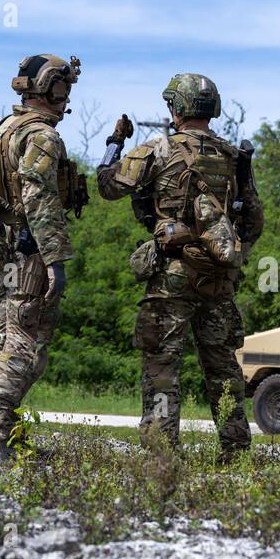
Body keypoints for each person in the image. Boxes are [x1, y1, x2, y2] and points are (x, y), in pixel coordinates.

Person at [97, 73, 263, 461]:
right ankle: (235, 452)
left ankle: (162, 453)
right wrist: (229, 256)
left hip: (171, 275)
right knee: (223, 370)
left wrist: (114, 143)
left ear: (176, 109)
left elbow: (106, 186)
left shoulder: (157, 150)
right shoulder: (234, 158)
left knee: (161, 367)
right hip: (219, 279)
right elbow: (253, 221)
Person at [0, 54, 86, 461]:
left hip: (5, 246)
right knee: (26, 349)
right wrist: (55, 261)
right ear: (51, 89)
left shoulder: (3, 130)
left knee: (11, 343)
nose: (67, 96)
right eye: (64, 88)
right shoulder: (42, 137)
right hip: (30, 251)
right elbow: (39, 200)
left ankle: (2, 431)